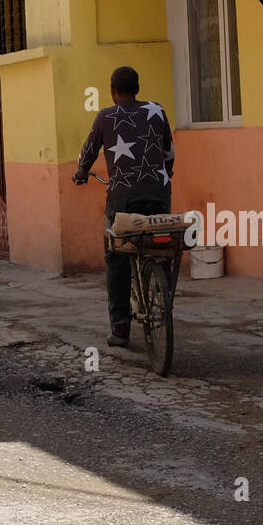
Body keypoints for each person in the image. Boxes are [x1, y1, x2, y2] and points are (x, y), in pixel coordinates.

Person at [73, 66, 175, 347]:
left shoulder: (106, 116)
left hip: (122, 199)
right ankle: (162, 277)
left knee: (116, 256)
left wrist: (81, 173)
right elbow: (169, 154)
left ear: (113, 91)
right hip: (159, 195)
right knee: (159, 242)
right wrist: (164, 178)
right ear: (138, 88)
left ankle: (120, 328)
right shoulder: (157, 110)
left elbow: (88, 152)